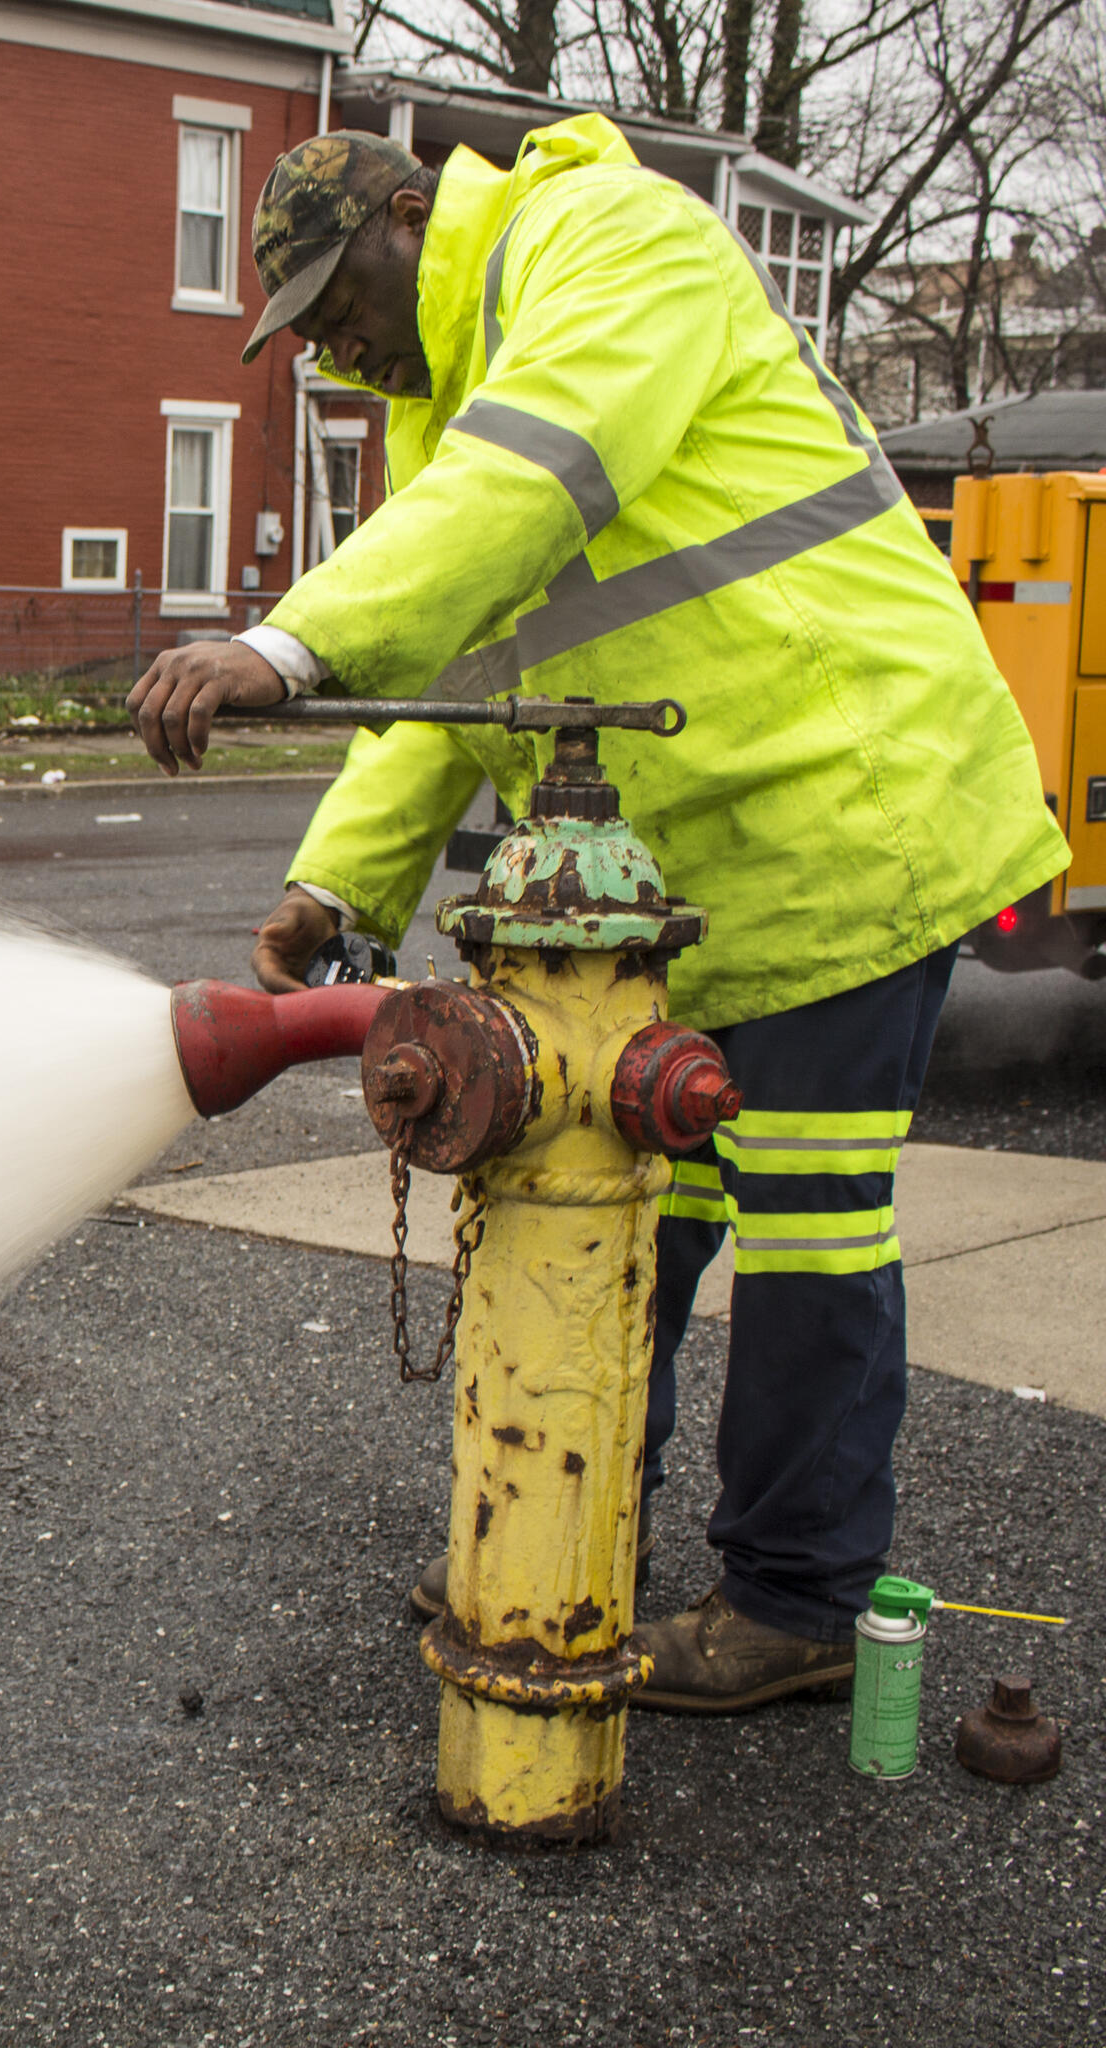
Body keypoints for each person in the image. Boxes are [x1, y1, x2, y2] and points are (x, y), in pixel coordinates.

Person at [126, 118, 1067, 1712]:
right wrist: (336, 883)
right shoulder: (451, 402)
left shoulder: (613, 245)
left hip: (851, 822)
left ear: (413, 215)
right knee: (638, 1209)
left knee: (812, 1232)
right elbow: (458, 667)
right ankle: (577, 1540)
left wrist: (283, 646)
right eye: (307, 335)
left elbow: (524, 485)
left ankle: (797, 1601)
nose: (337, 352)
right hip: (696, 887)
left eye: (337, 305)